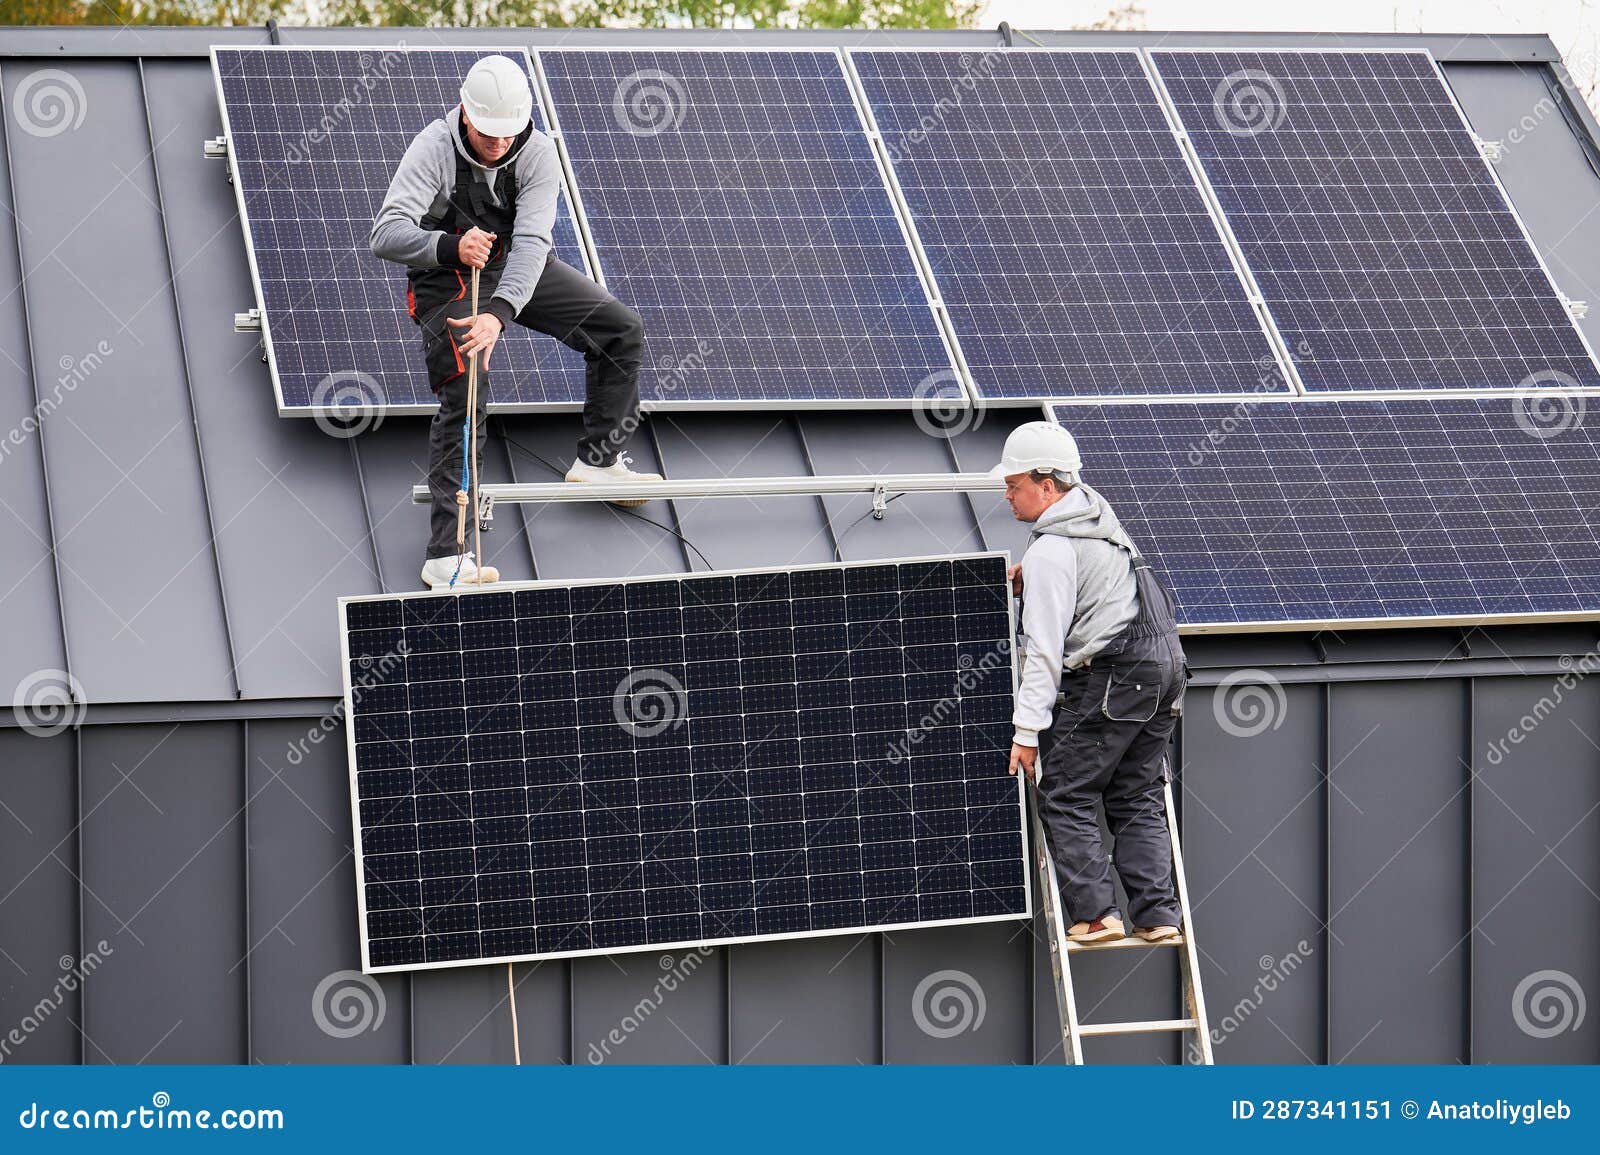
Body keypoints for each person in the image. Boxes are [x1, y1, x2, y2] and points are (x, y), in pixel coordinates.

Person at [371, 54, 660, 589]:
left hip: (515, 269)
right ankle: (446, 553)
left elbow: (531, 244)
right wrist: (451, 244)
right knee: (467, 385)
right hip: (444, 277)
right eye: (487, 134)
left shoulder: (539, 152)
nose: (499, 145)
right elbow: (385, 233)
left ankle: (598, 460)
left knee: (621, 330)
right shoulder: (433, 147)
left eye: (508, 134)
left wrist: (499, 315)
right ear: (465, 114)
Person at [994, 421, 1188, 945]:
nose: (1007, 497)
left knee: (1064, 794)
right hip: (1165, 670)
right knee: (1137, 795)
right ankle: (1157, 916)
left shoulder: (1052, 549)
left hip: (1115, 677)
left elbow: (1043, 651)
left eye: (1013, 486)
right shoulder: (1101, 523)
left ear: (1047, 484)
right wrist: (1031, 580)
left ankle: (1098, 917)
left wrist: (1027, 732)